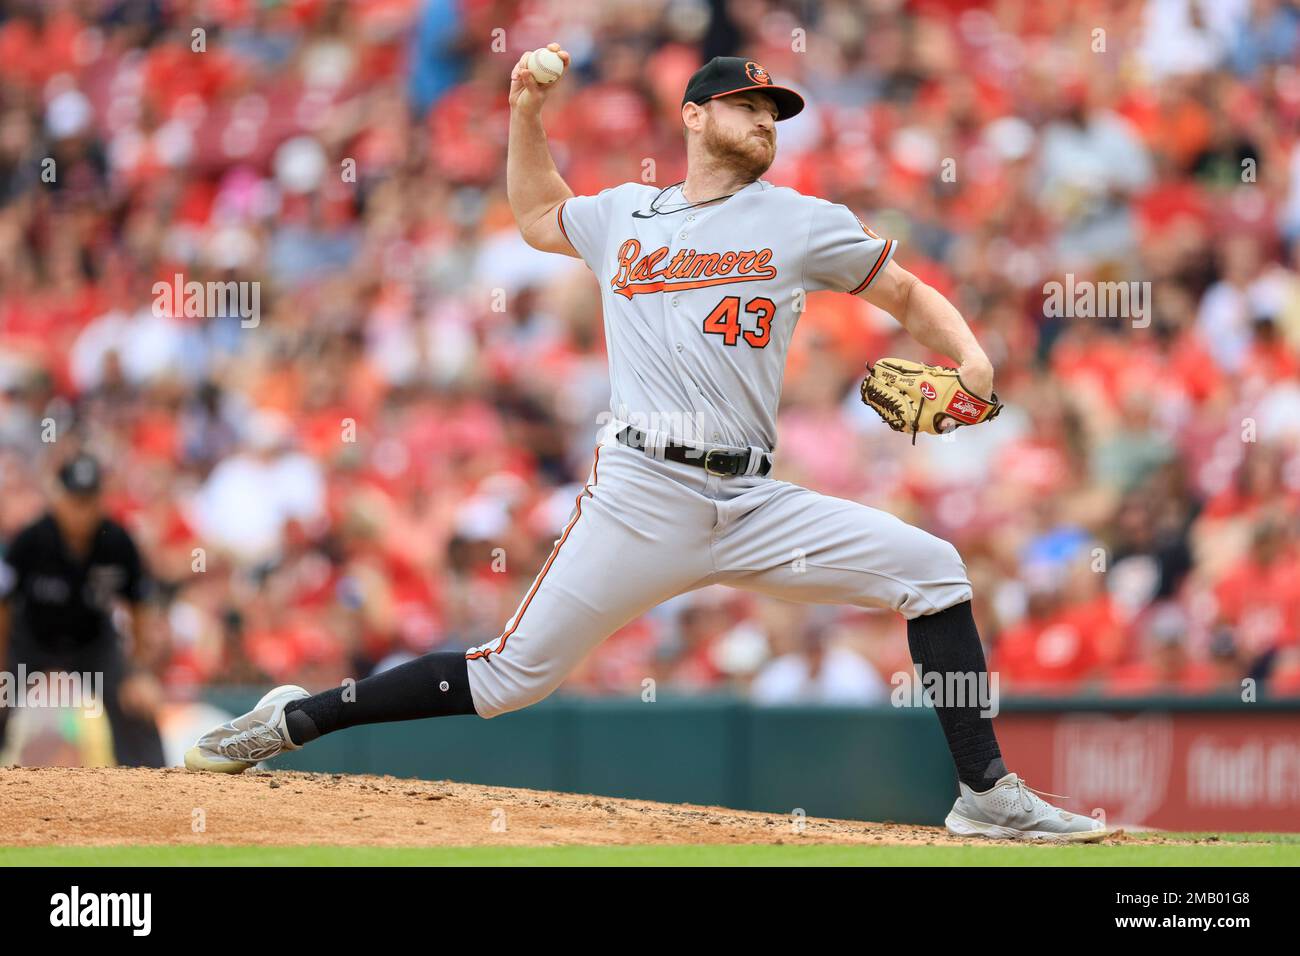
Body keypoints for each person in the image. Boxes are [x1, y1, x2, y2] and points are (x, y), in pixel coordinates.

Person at [185, 48, 1107, 841]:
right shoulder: (624, 212)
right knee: (509, 676)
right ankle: (294, 719)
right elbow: (540, 215)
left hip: (753, 501)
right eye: (747, 105)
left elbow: (905, 294)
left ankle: (986, 794)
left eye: (773, 110)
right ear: (694, 116)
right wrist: (525, 112)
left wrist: (972, 358)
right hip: (640, 493)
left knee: (936, 568)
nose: (765, 121)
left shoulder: (800, 219)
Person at [0, 453, 165, 766]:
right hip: (31, 639)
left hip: (93, 643)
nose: (82, 512)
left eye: (89, 501)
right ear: (58, 498)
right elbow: (3, 604)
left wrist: (139, 672)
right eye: (75, 500)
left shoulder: (117, 543)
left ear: (101, 500)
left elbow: (140, 607)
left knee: (134, 700)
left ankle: (155, 786)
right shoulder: (30, 541)